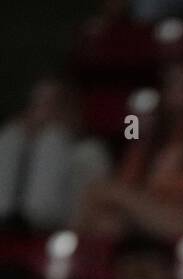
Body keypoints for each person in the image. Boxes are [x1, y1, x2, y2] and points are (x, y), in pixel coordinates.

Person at [76, 62, 183, 242]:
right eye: (177, 84)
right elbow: (126, 181)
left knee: (100, 190)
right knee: (107, 223)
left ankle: (69, 242)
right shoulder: (150, 141)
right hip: (144, 212)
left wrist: (158, 184)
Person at [0, 78, 110, 232]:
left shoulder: (89, 151)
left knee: (52, 140)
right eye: (37, 105)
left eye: (52, 105)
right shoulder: (13, 139)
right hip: (10, 222)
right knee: (10, 135)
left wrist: (54, 137)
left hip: (61, 226)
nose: (43, 113)